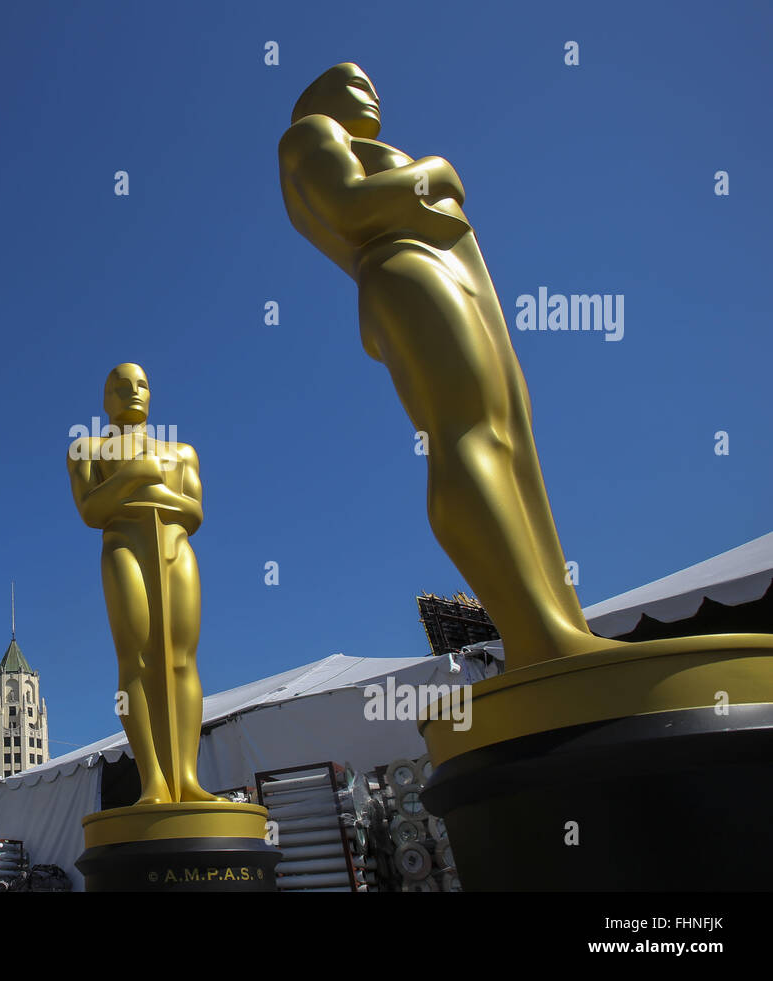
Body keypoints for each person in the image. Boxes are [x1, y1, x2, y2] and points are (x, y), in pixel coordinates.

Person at [278, 64, 619, 669]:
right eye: (350, 80)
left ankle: (564, 621)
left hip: (458, 281)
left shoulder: (355, 143)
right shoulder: (309, 133)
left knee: (515, 443)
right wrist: (436, 171)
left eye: (372, 81)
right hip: (405, 269)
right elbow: (350, 208)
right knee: (468, 434)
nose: (369, 84)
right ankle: (534, 634)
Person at [67, 364, 218, 804]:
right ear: (105, 399)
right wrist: (136, 476)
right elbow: (92, 510)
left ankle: (186, 777)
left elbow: (193, 511)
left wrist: (144, 482)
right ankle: (152, 777)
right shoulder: (87, 449)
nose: (132, 392)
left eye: (141, 385)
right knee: (135, 657)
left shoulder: (182, 452)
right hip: (123, 546)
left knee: (182, 659)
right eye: (120, 386)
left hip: (175, 547)